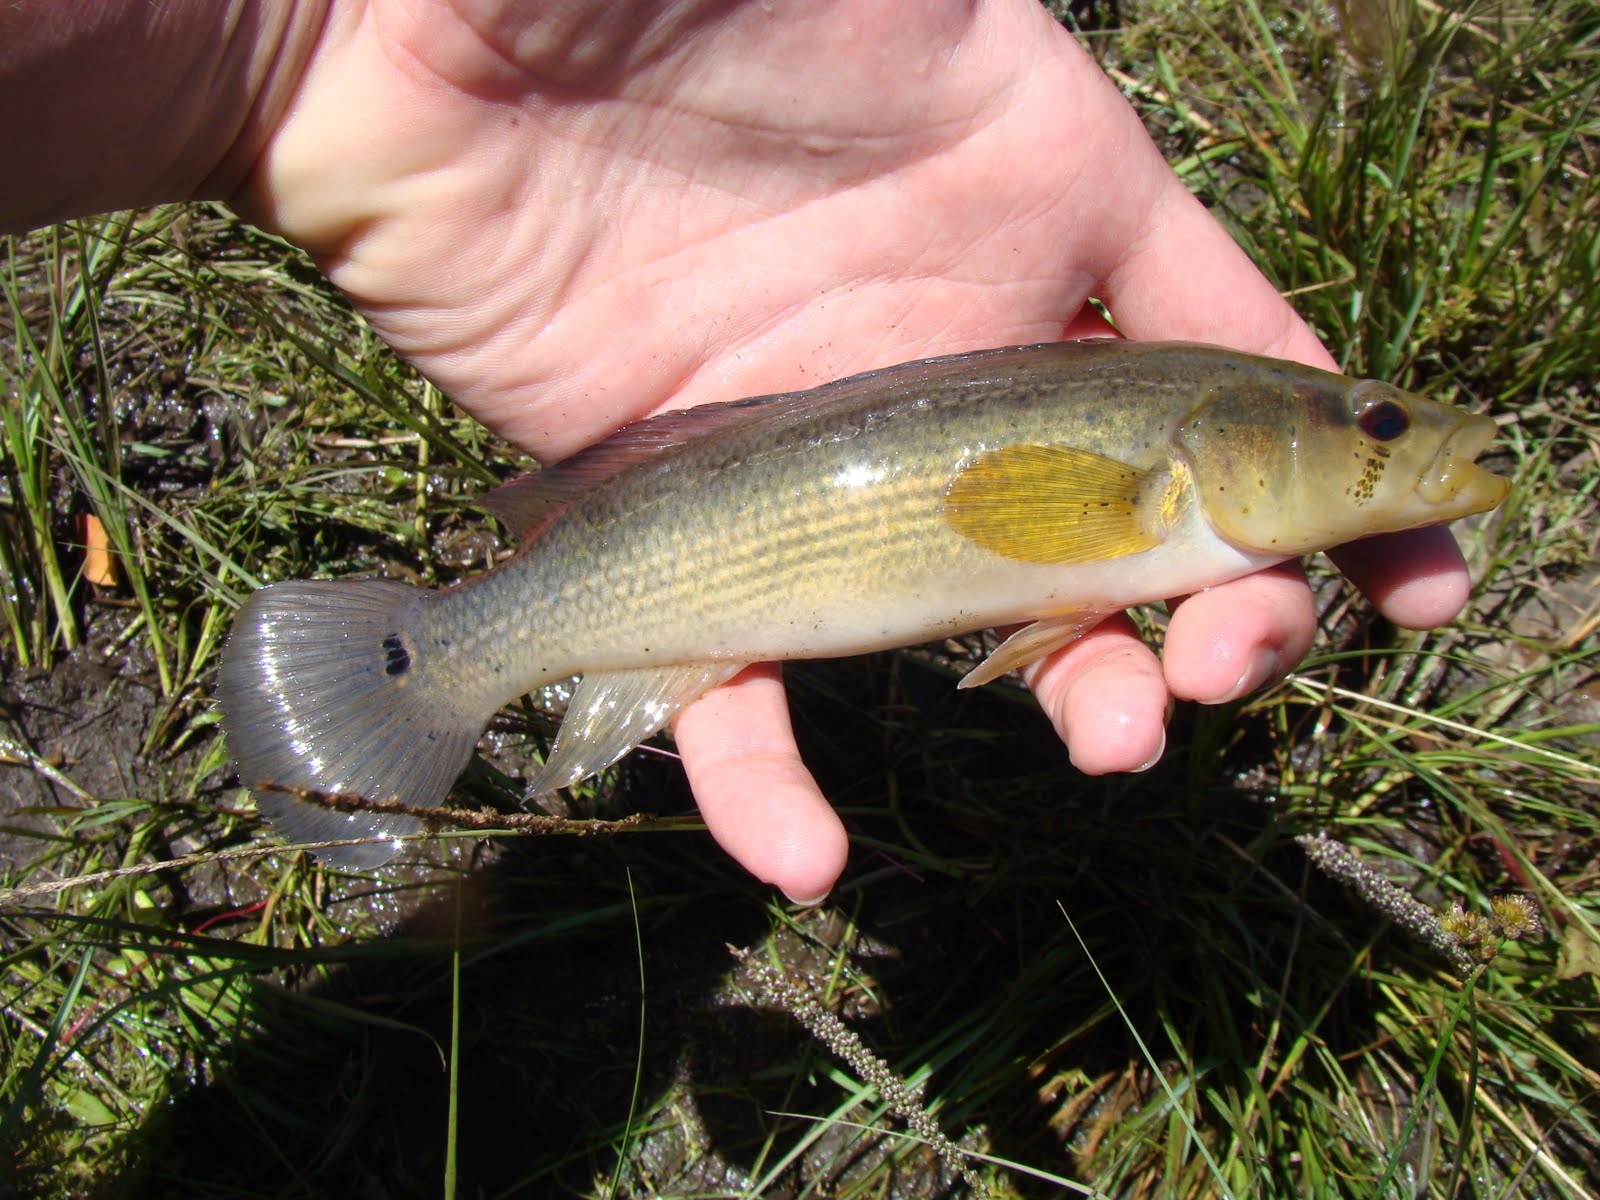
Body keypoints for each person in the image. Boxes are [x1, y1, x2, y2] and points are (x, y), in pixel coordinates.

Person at [1, 0, 1470, 903]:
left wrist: (287, 34)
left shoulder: (1195, 453)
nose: (1394, 439)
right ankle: (434, 664)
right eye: (1379, 423)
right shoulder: (1180, 455)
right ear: (1236, 444)